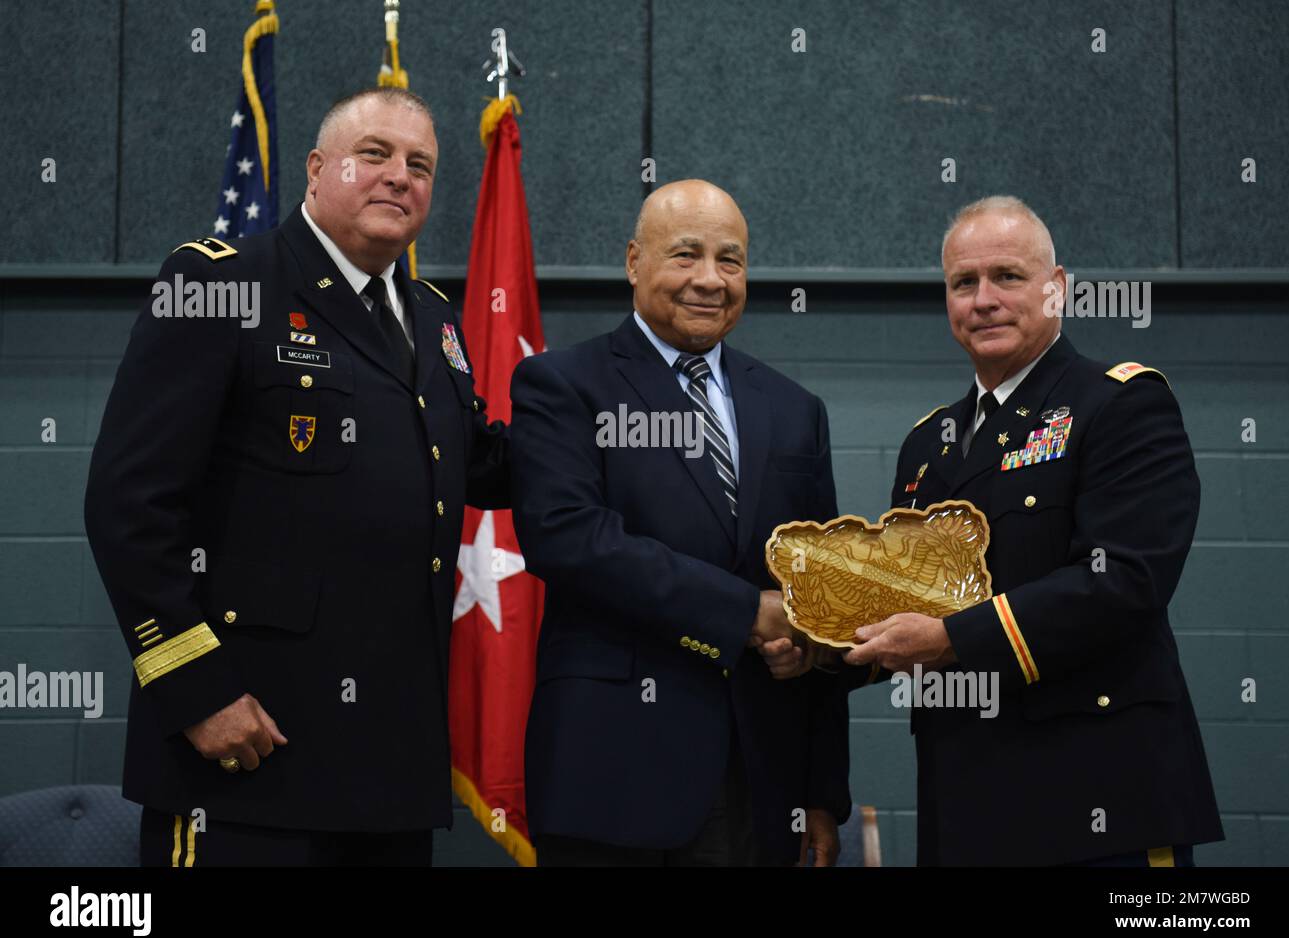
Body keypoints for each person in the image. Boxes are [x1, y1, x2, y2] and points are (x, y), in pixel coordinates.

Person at [83, 88, 509, 866]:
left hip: (389, 771)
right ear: (316, 170)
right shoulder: (222, 284)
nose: (399, 177)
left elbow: (476, 462)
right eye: (374, 153)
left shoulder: (434, 319)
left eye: (420, 165)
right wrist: (197, 690)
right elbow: (127, 504)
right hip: (245, 755)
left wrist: (608, 418)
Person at [840, 196, 1222, 865]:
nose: (983, 299)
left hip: (1098, 802)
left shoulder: (1121, 403)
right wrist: (813, 645)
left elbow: (1125, 581)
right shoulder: (928, 442)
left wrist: (949, 639)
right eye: (964, 283)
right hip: (965, 804)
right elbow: (905, 605)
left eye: (1007, 277)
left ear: (1059, 288)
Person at [509, 180, 848, 866]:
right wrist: (747, 612)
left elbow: (823, 591)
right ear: (634, 262)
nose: (710, 280)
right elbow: (569, 539)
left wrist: (821, 789)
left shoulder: (794, 408)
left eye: (731, 261)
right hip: (615, 777)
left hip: (763, 780)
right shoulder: (562, 385)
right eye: (686, 255)